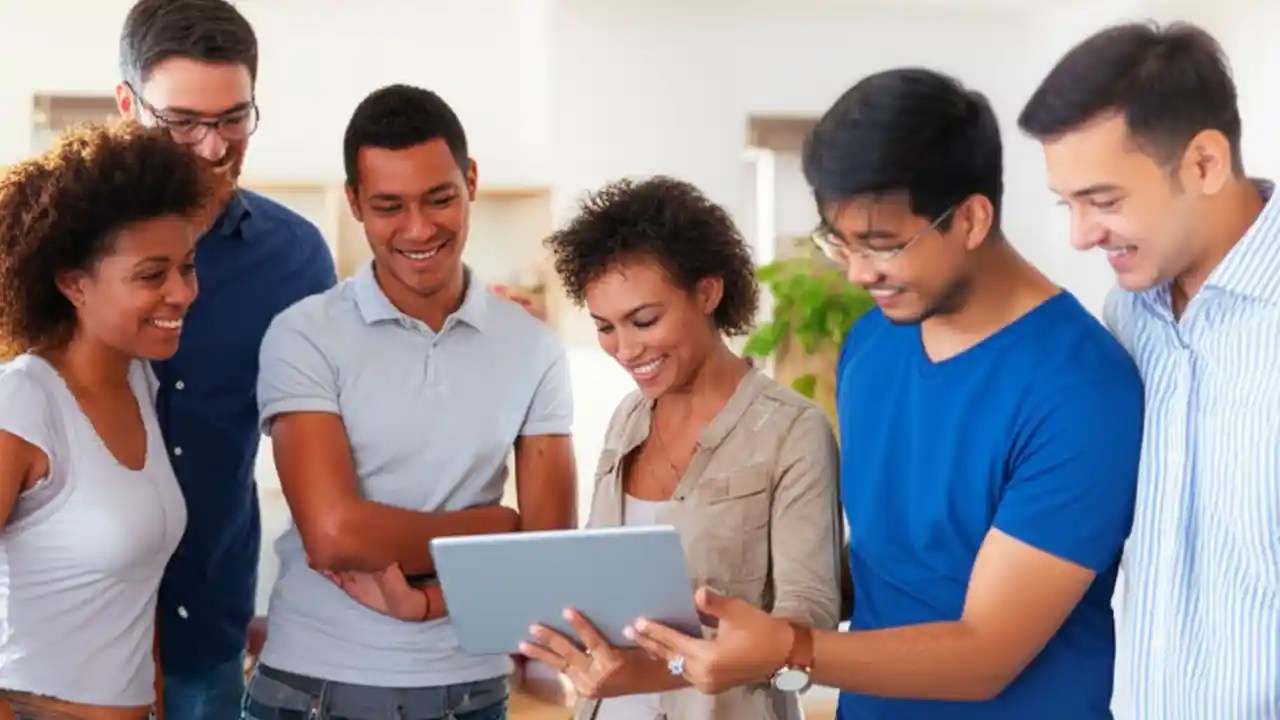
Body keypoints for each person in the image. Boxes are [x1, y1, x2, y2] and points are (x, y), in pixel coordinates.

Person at [629, 68, 1145, 719]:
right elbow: (888, 555)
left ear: (972, 218)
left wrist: (788, 647)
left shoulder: (1082, 389)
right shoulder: (873, 344)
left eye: (882, 244)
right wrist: (728, 610)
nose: (858, 270)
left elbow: (986, 655)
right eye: (838, 242)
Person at [244, 84, 577, 720]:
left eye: (440, 199)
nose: (419, 230)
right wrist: (488, 529)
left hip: (470, 693)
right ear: (354, 204)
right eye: (389, 206)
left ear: (471, 181)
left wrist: (424, 601)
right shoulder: (304, 332)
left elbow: (544, 557)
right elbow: (335, 534)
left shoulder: (533, 348)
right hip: (312, 690)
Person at [1018, 22, 1280, 718]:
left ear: (1203, 164)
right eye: (1066, 203)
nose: (1080, 235)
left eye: (1102, 201)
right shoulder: (1128, 317)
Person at [517, 176, 843, 720]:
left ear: (708, 293)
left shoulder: (792, 430)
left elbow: (805, 628)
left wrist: (649, 671)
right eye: (605, 327)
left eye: (644, 320)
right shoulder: (628, 419)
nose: (625, 349)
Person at [115, 1, 337, 716]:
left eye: (234, 118)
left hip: (209, 630)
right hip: (67, 638)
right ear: (128, 105)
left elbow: (329, 440)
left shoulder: (295, 257)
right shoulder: (57, 242)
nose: (213, 147)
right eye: (183, 122)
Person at [0, 122, 211, 719]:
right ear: (73, 282)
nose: (183, 292)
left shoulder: (139, 383)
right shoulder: (22, 400)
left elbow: (129, 605)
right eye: (152, 275)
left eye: (187, 267)